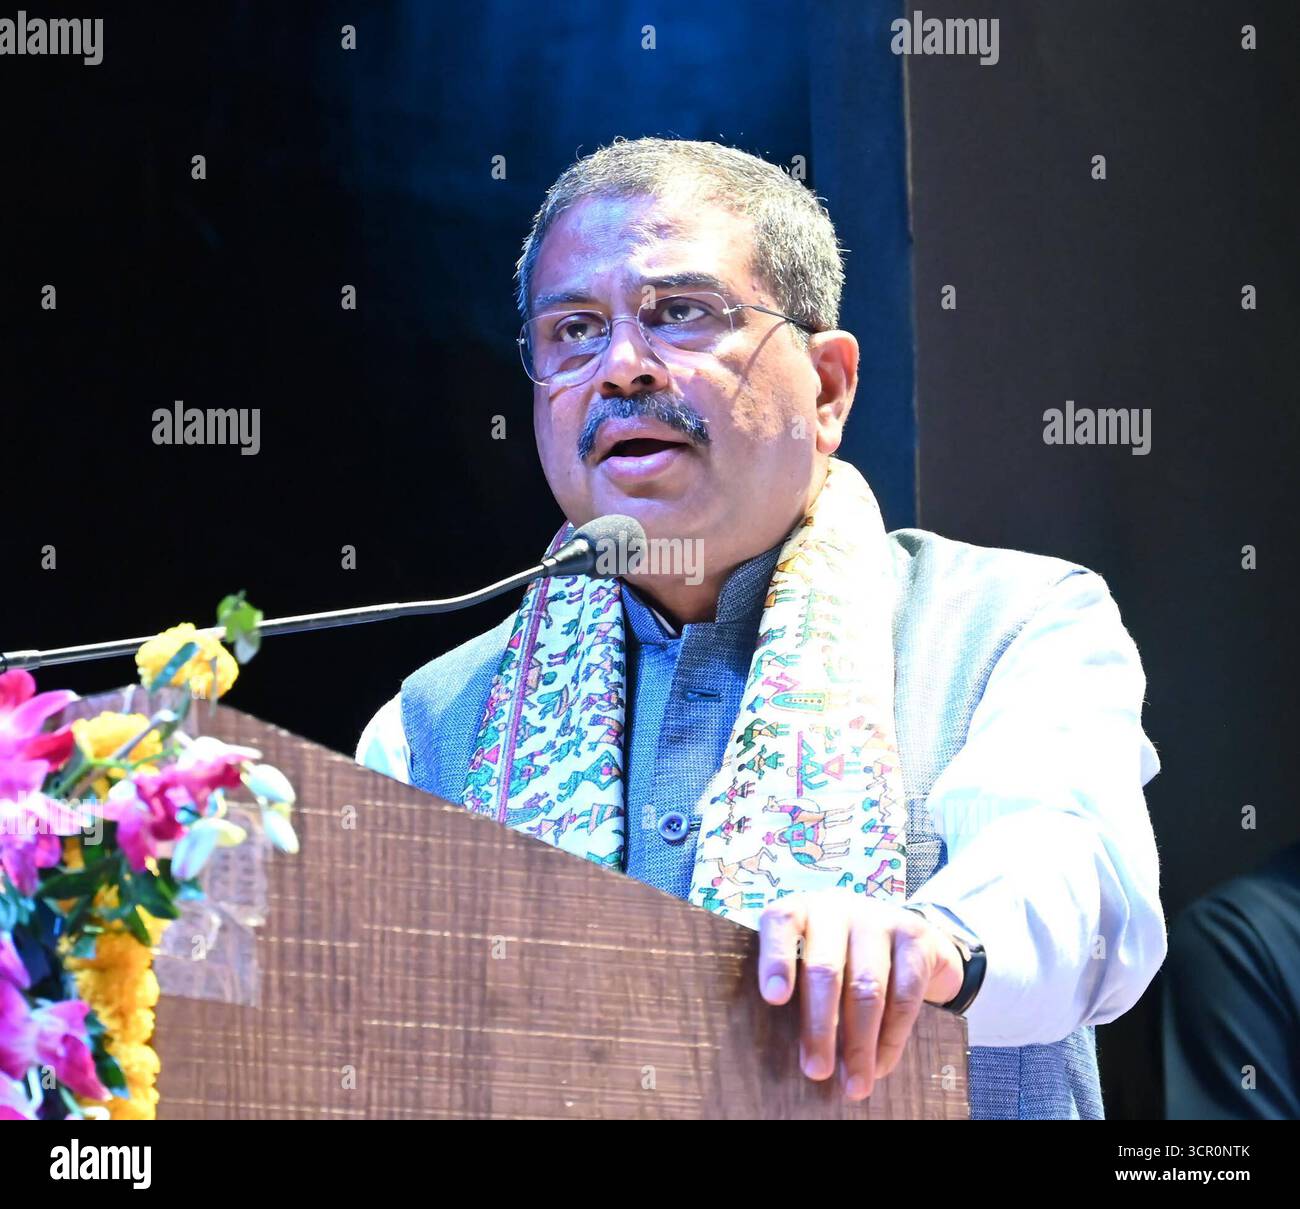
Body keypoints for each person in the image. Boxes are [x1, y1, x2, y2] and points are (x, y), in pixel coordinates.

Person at [357, 137, 1166, 1119]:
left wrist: (927, 945)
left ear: (826, 388)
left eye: (681, 315)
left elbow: (1084, 902)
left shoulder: (1008, 624)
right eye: (572, 330)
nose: (618, 369)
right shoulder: (433, 727)